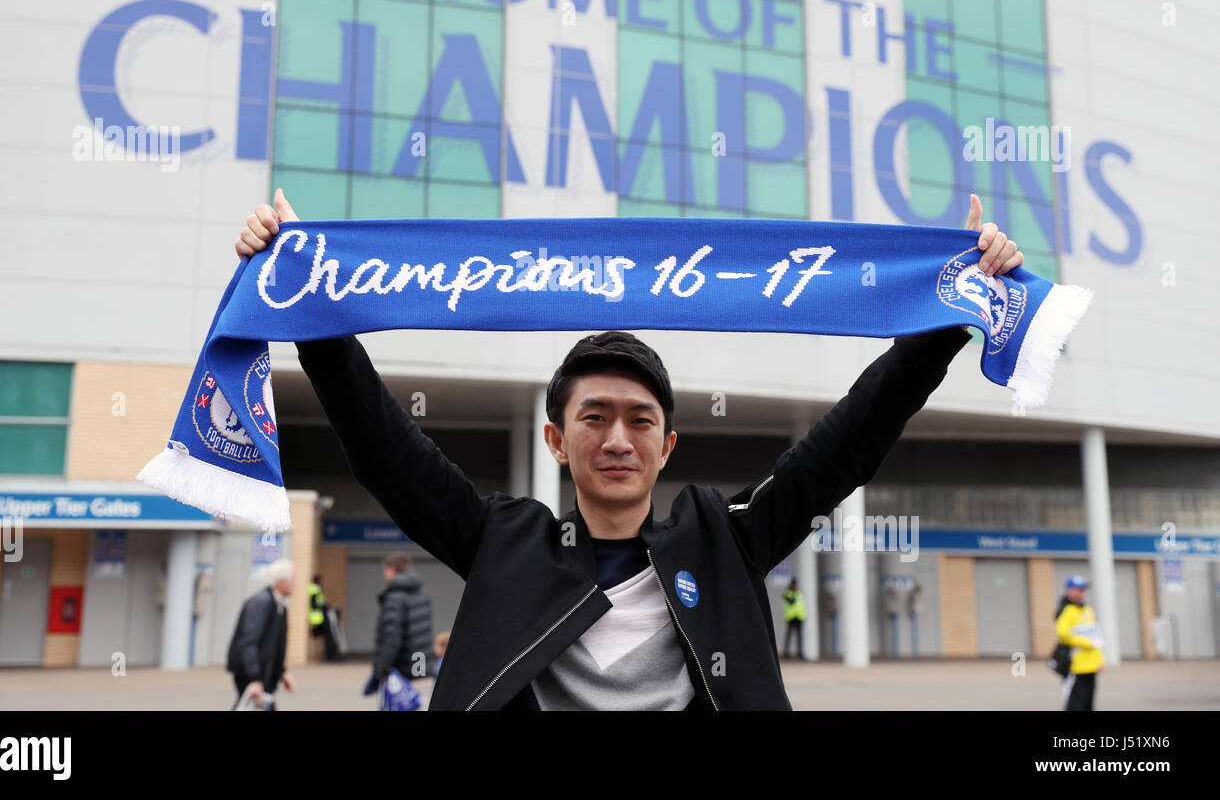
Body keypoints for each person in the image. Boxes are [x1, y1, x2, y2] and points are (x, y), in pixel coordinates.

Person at [234, 189, 1022, 710]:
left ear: (667, 445)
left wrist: (946, 307)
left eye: (640, 421)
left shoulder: (728, 540)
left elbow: (848, 441)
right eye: (595, 417)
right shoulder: (501, 543)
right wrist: (306, 296)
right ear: (555, 439)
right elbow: (383, 449)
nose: (618, 439)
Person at [364, 552, 434, 701]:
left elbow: (392, 635)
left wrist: (383, 669)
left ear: (391, 569)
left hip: (399, 666)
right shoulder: (422, 594)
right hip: (417, 664)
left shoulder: (395, 597)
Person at [226, 558, 296, 709]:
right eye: (292, 579)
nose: (295, 583)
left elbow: (275, 645)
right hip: (252, 676)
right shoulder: (261, 603)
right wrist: (254, 679)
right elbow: (248, 642)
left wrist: (281, 671)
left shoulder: (280, 606)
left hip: (264, 676)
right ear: (282, 582)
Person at [1055, 575, 1103, 711]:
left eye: (1083, 590)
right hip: (1074, 665)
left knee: (1088, 701)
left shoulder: (1088, 610)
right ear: (1070, 591)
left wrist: (1099, 660)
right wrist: (1085, 642)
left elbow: (1095, 637)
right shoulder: (1065, 610)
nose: (1081, 593)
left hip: (1090, 665)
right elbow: (1063, 635)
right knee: (1075, 703)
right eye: (1078, 589)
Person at [782, 578, 806, 659]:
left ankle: (800, 653)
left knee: (800, 637)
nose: (795, 586)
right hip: (791, 617)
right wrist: (793, 594)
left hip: (799, 617)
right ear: (791, 585)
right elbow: (791, 602)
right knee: (789, 636)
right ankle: (786, 653)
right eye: (794, 585)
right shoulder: (787, 593)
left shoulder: (799, 593)